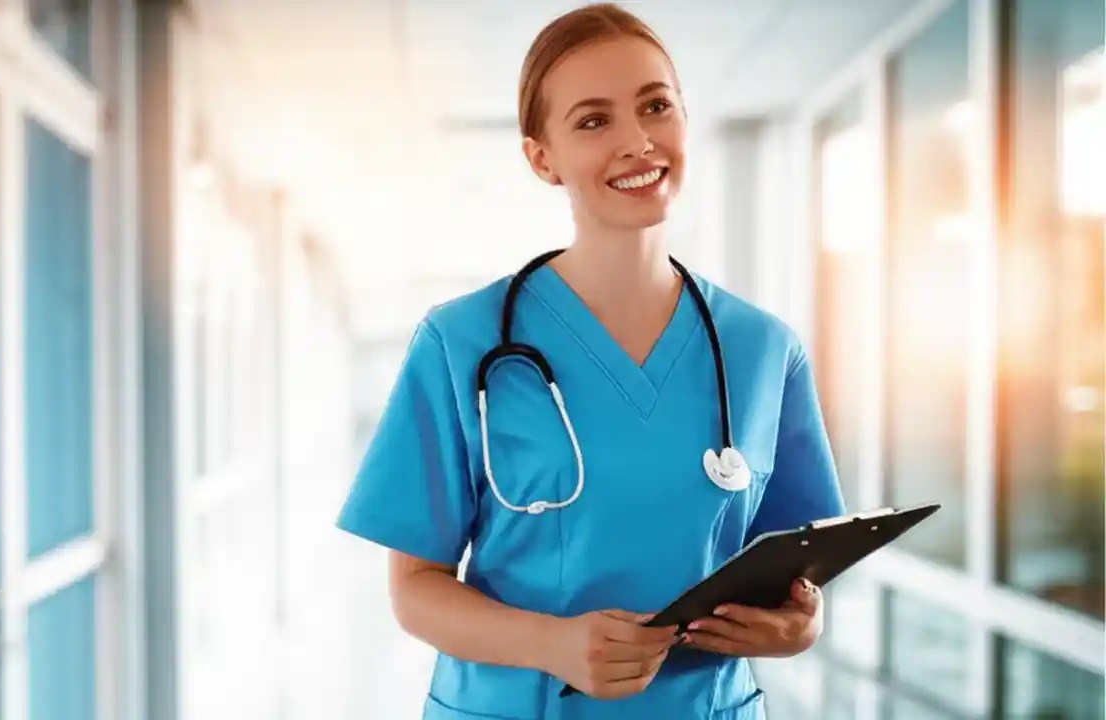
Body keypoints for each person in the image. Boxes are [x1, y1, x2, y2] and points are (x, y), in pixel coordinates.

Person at [335, 3, 845, 718]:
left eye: (656, 106)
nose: (637, 141)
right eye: (593, 121)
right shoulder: (461, 342)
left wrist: (801, 626)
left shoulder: (763, 350)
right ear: (542, 158)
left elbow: (797, 569)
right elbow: (415, 589)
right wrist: (551, 644)